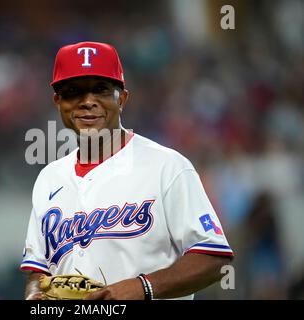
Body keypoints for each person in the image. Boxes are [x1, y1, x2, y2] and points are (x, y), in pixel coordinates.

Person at [20, 41, 234, 300]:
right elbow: (38, 272)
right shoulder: (49, 178)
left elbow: (214, 258)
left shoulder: (168, 167)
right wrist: (34, 295)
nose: (88, 102)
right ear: (58, 102)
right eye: (74, 91)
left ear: (121, 99)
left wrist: (144, 287)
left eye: (100, 89)